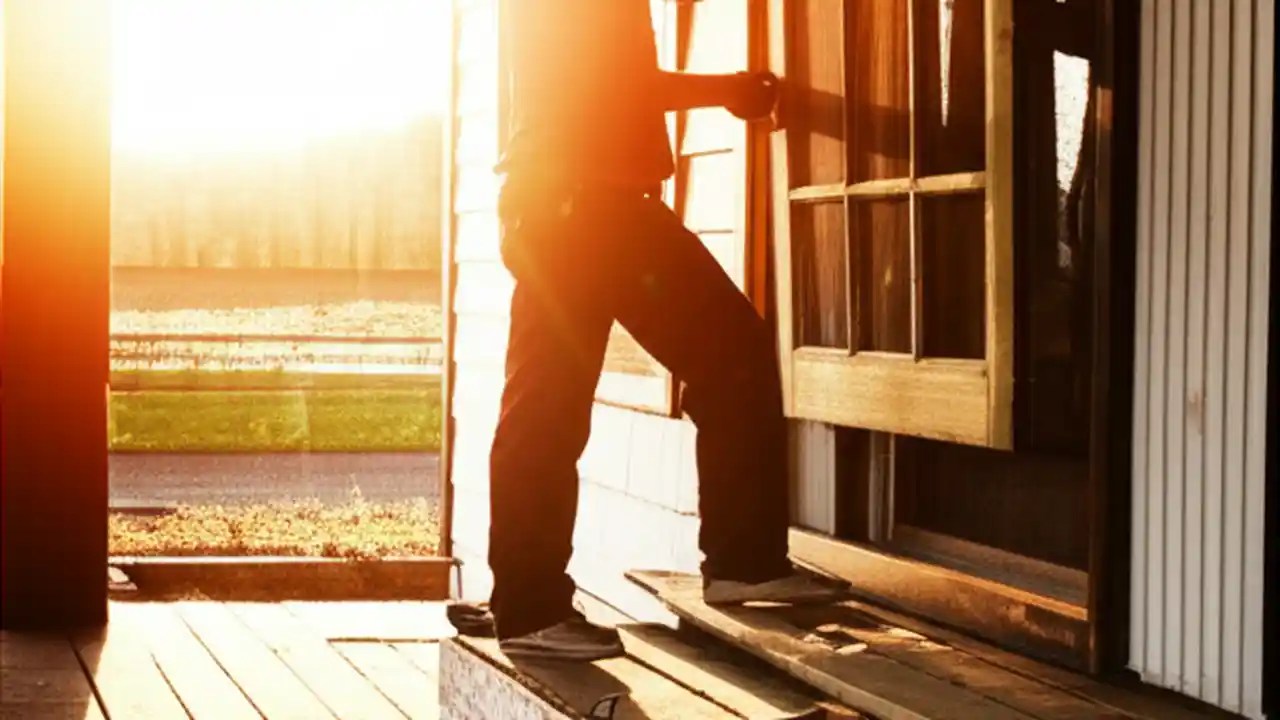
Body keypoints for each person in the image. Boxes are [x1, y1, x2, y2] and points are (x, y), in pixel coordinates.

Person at [477, 0, 843, 662]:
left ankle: (736, 563)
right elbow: (615, 83)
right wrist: (728, 90)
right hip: (583, 206)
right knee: (558, 406)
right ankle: (534, 609)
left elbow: (614, 78)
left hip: (576, 204)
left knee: (553, 404)